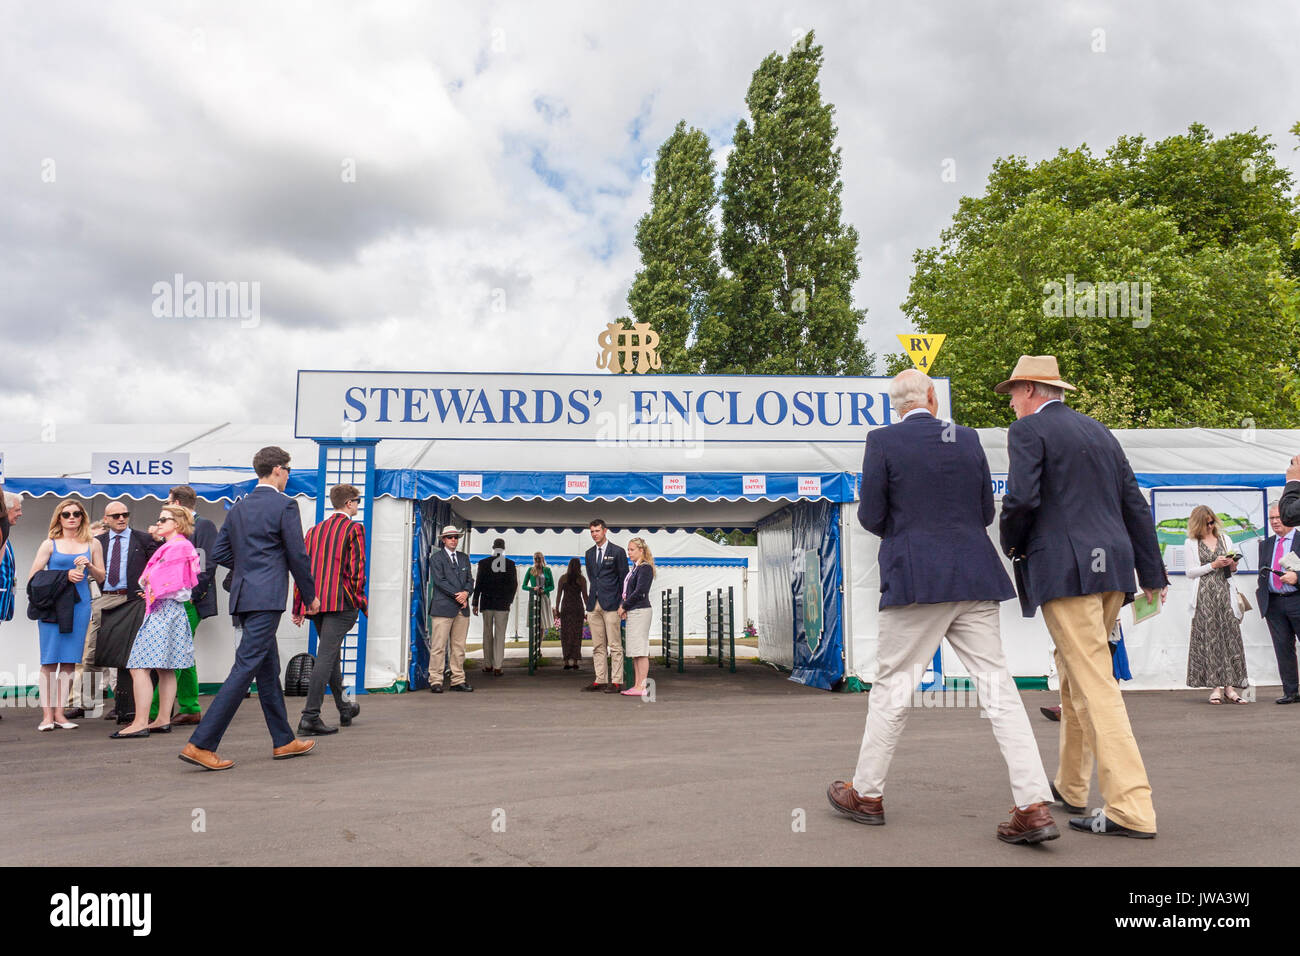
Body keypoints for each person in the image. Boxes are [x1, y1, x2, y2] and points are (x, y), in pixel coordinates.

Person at [826, 369, 1057, 844]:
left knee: (892, 689)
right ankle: (1033, 805)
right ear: (932, 397)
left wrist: (909, 531)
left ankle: (867, 795)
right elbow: (984, 511)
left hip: (914, 581)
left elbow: (870, 515)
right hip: (974, 574)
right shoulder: (968, 438)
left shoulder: (882, 441)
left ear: (896, 405)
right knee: (999, 690)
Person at [998, 355, 1167, 839]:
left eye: (1013, 392)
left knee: (1094, 682)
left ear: (1031, 390)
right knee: (1075, 674)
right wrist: (1151, 571)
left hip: (1065, 567)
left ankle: (1131, 808)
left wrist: (1012, 544)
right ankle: (1071, 785)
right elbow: (1133, 502)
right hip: (1113, 567)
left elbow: (1023, 500)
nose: (1011, 402)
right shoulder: (1100, 432)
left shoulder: (1028, 432)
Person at [179, 446, 319, 771]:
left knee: (267, 669)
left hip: (243, 595)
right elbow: (297, 555)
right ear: (278, 470)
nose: (288, 476)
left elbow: (220, 553)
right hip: (267, 596)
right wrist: (308, 594)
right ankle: (201, 743)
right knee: (244, 668)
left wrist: (247, 569)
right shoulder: (286, 505)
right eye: (288, 470)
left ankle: (284, 740)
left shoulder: (239, 508)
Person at [112, 504, 200, 739]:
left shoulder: (177, 547)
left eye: (164, 519)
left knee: (139, 666)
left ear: (177, 524)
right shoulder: (176, 546)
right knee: (166, 669)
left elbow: (163, 582)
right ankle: (161, 719)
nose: (158, 522)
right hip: (169, 610)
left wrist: (151, 585)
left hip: (164, 611)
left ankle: (140, 721)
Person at [291, 484, 368, 734]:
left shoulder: (314, 531)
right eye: (357, 500)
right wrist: (358, 599)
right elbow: (357, 571)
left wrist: (298, 605)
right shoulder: (354, 529)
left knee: (330, 654)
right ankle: (309, 716)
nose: (358, 504)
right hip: (341, 602)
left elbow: (302, 569)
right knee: (326, 657)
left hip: (316, 602)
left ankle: (344, 707)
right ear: (348, 504)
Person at [27, 499, 105, 731]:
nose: (71, 517)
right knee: (49, 661)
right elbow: (34, 577)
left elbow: (101, 578)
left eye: (76, 513)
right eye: (66, 514)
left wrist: (89, 566)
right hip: (52, 607)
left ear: (82, 517)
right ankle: (46, 716)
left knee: (70, 662)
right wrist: (64, 575)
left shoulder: (93, 544)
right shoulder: (49, 544)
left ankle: (60, 714)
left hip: (79, 607)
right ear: (59, 518)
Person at [80, 502, 159, 723]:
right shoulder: (98, 542)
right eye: (115, 516)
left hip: (132, 599)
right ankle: (86, 702)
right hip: (105, 597)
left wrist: (149, 591)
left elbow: (157, 565)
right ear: (106, 519)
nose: (121, 519)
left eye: (125, 514)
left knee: (127, 656)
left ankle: (123, 705)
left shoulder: (143, 539)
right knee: (93, 652)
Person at [157, 484, 220, 726]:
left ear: (177, 504)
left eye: (168, 500)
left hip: (188, 600)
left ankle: (155, 710)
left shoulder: (202, 526)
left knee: (174, 653)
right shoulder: (174, 529)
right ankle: (189, 706)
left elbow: (206, 563)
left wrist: (192, 595)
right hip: (172, 599)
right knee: (182, 652)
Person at [1183, 505, 1249, 704]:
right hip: (1205, 594)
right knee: (1210, 638)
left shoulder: (1225, 539)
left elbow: (1233, 570)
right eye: (1206, 523)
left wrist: (1232, 564)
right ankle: (1215, 687)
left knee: (1229, 636)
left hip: (1225, 591)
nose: (1210, 527)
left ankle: (1230, 686)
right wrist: (1213, 565)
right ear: (1198, 524)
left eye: (1212, 522)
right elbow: (1190, 572)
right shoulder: (1191, 543)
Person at [1258, 502, 1300, 704]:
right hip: (1274, 604)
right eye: (1271, 518)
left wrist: (1297, 577)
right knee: (1283, 648)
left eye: (1278, 517)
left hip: (1297, 599)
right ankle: (1291, 692)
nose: (1275, 521)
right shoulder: (1265, 544)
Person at [583, 519, 628, 694]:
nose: (595, 534)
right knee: (597, 645)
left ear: (605, 531)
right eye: (592, 531)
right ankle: (600, 679)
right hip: (594, 604)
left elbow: (624, 579)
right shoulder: (588, 553)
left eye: (597, 531)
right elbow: (593, 578)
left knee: (615, 645)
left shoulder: (617, 552)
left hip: (612, 605)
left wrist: (623, 604)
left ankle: (616, 681)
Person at [428, 525, 474, 693]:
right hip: (443, 608)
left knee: (458, 647)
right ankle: (436, 680)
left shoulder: (464, 558)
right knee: (439, 646)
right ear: (443, 540)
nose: (453, 539)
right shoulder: (436, 558)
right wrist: (460, 596)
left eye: (455, 536)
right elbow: (439, 581)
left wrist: (467, 592)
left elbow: (470, 579)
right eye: (450, 537)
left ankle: (458, 680)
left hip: (461, 609)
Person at [472, 538, 516, 676]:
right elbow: (513, 585)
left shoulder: (484, 563)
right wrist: (509, 600)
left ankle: (488, 664)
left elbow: (478, 583)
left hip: (487, 602)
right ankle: (498, 666)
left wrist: (475, 602)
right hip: (502, 604)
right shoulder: (510, 564)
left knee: (487, 634)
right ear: (503, 549)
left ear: (493, 548)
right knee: (500, 635)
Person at [618, 538, 655, 698]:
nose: (629, 552)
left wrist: (624, 606)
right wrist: (625, 606)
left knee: (640, 649)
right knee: (635, 651)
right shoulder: (634, 568)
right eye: (628, 549)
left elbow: (640, 591)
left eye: (632, 549)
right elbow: (627, 591)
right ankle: (637, 684)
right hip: (634, 610)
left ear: (641, 550)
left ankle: (642, 685)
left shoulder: (645, 568)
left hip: (640, 610)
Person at [554, 557, 588, 670]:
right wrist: (589, 609)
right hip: (577, 607)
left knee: (566, 634)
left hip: (566, 607)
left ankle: (566, 661)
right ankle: (575, 661)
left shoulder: (563, 578)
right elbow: (585, 596)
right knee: (576, 634)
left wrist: (557, 609)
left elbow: (559, 595)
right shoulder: (582, 579)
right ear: (579, 566)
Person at [522, 550, 554, 639]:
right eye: (535, 558)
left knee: (542, 624)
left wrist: (545, 590)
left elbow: (552, 586)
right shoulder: (530, 570)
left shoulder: (547, 570)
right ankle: (534, 644)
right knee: (534, 623)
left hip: (544, 598)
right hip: (534, 597)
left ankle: (539, 646)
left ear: (542, 559)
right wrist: (532, 589)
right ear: (534, 559)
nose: (537, 560)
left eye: (539, 558)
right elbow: (523, 586)